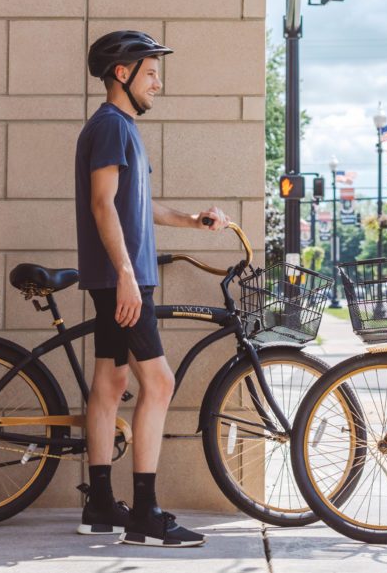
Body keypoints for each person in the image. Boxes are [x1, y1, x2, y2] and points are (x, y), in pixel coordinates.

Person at [76, 29, 229, 548]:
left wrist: (192, 220)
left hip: (121, 275)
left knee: (111, 384)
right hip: (126, 279)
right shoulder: (112, 127)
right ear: (123, 74)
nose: (158, 82)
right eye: (151, 71)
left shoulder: (116, 129)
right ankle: (145, 513)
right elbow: (102, 204)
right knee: (159, 384)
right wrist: (124, 274)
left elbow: (132, 206)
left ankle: (100, 505)